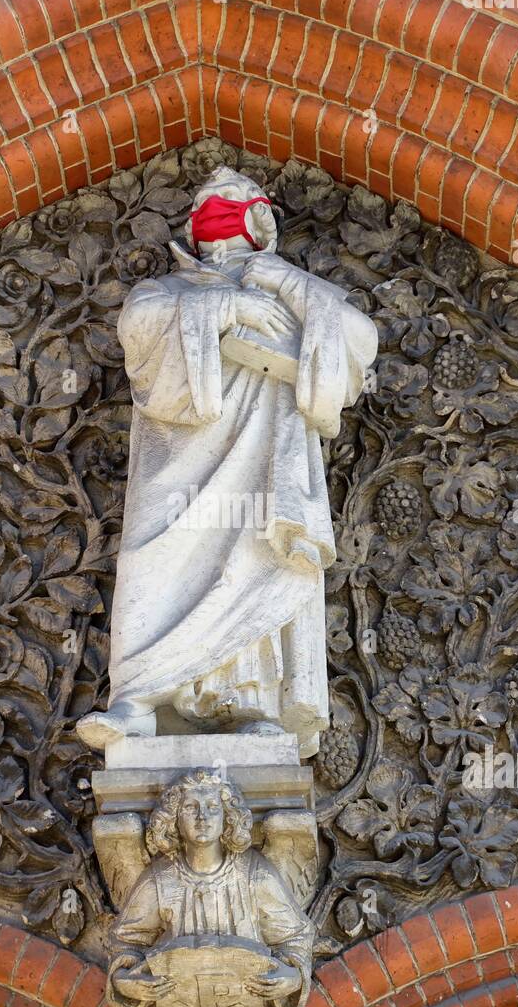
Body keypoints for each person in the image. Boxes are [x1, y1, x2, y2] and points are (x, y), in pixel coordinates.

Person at [78, 166, 378, 757]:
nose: (220, 214)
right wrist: (224, 308)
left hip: (266, 466)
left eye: (235, 205)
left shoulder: (290, 292)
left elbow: (357, 342)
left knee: (257, 564)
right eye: (209, 207)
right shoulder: (172, 292)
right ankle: (137, 703)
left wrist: (289, 285)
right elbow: (137, 329)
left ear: (262, 220)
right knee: (155, 562)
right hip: (179, 472)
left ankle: (257, 710)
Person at [107, 770, 314, 1007]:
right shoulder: (160, 879)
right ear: (174, 819)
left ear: (228, 816)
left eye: (213, 806)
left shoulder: (255, 875)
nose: (202, 817)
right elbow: (126, 940)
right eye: (190, 807)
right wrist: (124, 981)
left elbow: (295, 936)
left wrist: (293, 976)